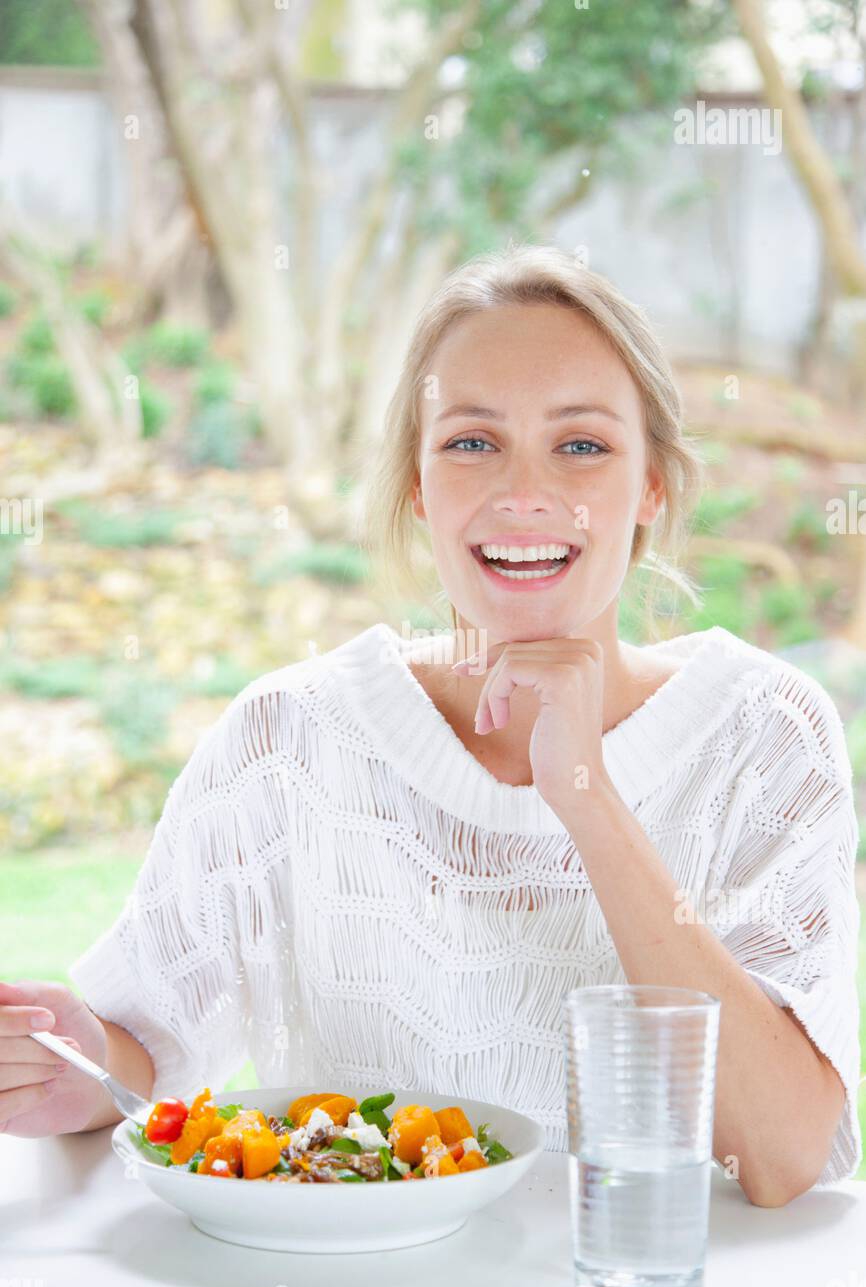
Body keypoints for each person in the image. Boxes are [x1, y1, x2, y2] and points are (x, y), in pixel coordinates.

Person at [2, 243, 861, 1208]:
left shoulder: (766, 736)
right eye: (470, 442)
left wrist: (584, 796)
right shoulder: (291, 738)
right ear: (419, 487)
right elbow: (144, 1045)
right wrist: (70, 1067)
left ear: (651, 486)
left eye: (582, 444)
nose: (522, 492)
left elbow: (782, 1154)